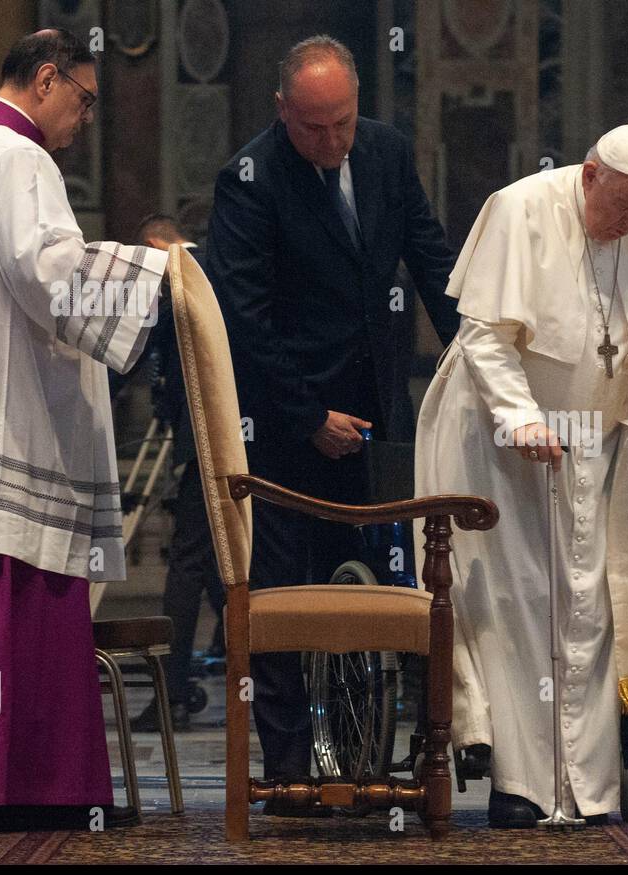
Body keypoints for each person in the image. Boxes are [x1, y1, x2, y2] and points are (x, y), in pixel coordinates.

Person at [0, 29, 167, 832]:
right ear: (45, 80)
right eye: (82, 99)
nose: (84, 118)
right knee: (10, 598)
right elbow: (49, 272)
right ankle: (27, 788)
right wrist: (154, 269)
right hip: (1, 423)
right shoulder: (18, 160)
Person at [206, 36, 460, 792]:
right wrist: (310, 412)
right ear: (283, 111)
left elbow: (434, 263)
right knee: (284, 594)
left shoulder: (384, 152)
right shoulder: (249, 180)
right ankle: (287, 774)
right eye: (313, 126)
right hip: (285, 426)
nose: (330, 140)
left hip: (379, 407)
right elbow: (244, 320)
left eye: (342, 123)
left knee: (384, 586)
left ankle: (391, 754)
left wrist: (477, 358)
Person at [415, 124, 628, 828]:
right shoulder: (519, 209)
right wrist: (521, 419)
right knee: (518, 603)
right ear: (590, 175)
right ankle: (521, 783)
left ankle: (589, 789)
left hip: (591, 449)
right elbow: (484, 337)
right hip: (498, 445)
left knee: (594, 606)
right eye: (622, 206)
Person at [127, 214, 222, 734]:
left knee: (188, 567)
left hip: (210, 440)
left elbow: (147, 346)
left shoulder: (184, 272)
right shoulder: (215, 265)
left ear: (154, 246)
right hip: (224, 439)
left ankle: (171, 694)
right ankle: (179, 687)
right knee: (208, 565)